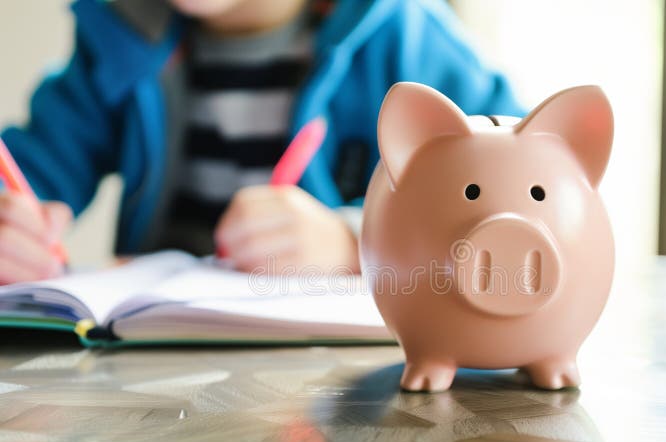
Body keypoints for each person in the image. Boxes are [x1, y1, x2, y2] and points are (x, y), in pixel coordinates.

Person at [0, 0, 523, 285]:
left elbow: (518, 189)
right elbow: (28, 175)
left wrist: (353, 243)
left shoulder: (403, 35)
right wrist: (11, 233)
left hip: (337, 387)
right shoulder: (118, 34)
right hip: (155, 381)